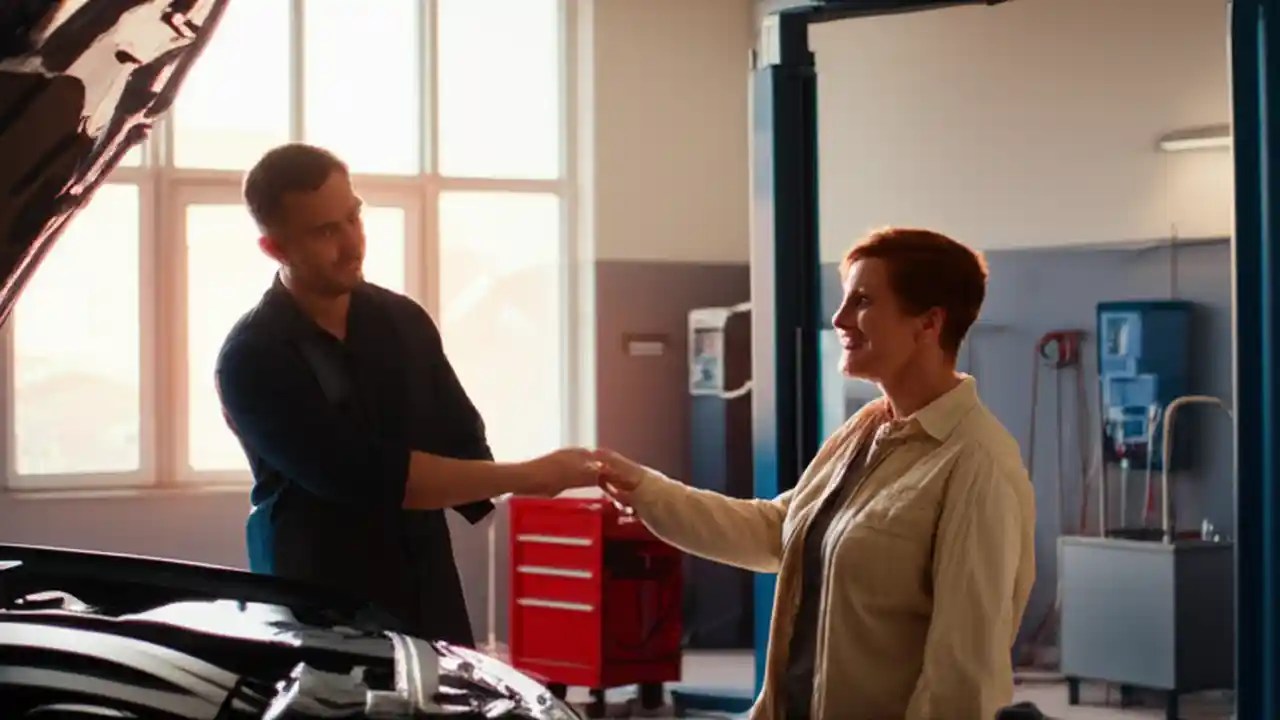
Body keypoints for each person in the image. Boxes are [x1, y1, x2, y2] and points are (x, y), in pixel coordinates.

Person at [598, 228, 1037, 720]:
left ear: (929, 323)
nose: (839, 318)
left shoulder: (976, 465)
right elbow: (777, 531)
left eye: (863, 300)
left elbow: (963, 674)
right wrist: (647, 491)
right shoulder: (867, 428)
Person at [215, 142, 601, 646]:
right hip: (314, 596)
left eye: (353, 218)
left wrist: (553, 473)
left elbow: (460, 436)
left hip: (423, 583)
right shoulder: (253, 356)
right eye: (325, 231)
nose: (353, 244)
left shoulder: (402, 322)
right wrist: (532, 475)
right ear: (275, 248)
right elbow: (367, 477)